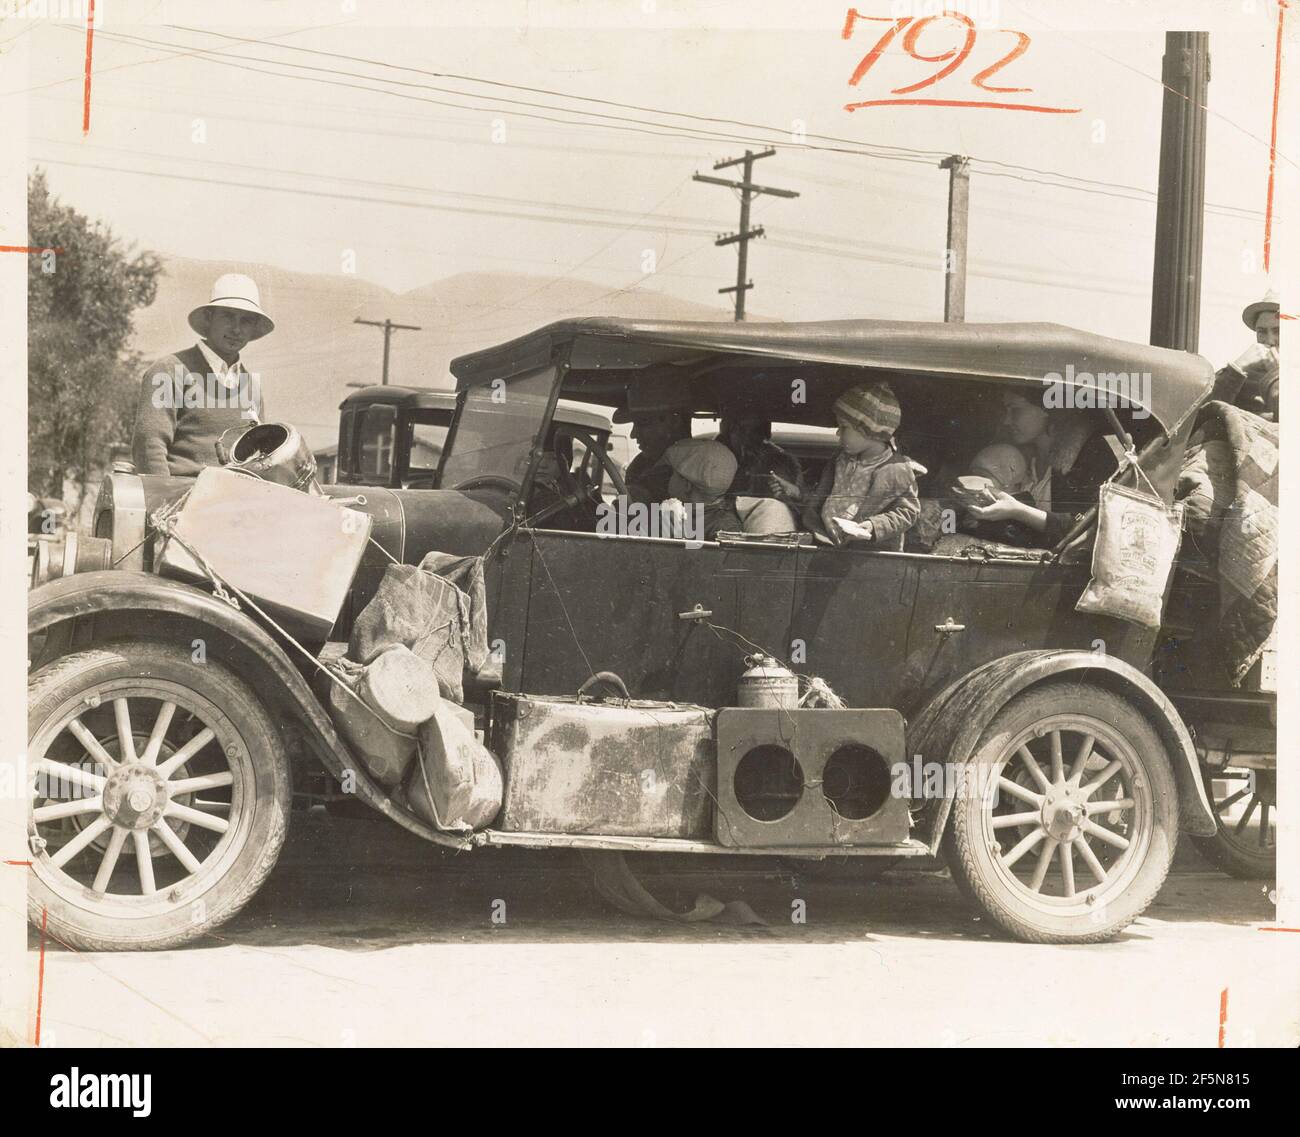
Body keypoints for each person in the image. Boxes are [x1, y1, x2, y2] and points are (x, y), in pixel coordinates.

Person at [132, 273, 272, 476]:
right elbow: (149, 445)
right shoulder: (170, 370)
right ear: (209, 318)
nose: (236, 329)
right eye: (228, 316)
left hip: (239, 500)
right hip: (182, 500)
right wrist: (162, 500)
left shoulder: (249, 386)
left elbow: (259, 457)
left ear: (253, 328)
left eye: (246, 321)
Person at [965, 391, 1115, 546]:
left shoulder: (1090, 453)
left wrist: (1017, 511)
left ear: (1047, 409)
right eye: (1006, 411)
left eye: (1015, 410)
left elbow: (1089, 530)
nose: (1007, 421)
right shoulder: (1015, 454)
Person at [800, 381, 920, 550]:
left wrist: (873, 525)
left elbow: (908, 513)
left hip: (866, 552)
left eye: (844, 427)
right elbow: (823, 494)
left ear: (869, 430)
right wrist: (797, 492)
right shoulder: (840, 459)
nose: (838, 433)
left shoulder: (897, 469)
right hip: (826, 540)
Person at [616, 382, 693, 505]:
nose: (633, 434)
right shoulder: (639, 465)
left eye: (643, 423)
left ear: (674, 421)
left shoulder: (702, 469)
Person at [1210, 290, 1280, 420]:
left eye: (1278, 331)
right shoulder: (1246, 372)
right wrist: (1236, 368)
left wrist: (1276, 375)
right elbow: (1204, 412)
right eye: (1262, 332)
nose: (1269, 340)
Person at [955, 442, 1039, 547]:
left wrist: (979, 525)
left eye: (982, 475)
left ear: (1009, 476)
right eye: (972, 473)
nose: (974, 479)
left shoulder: (1024, 509)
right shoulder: (976, 504)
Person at [660, 438, 741, 540]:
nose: (668, 479)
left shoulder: (724, 529)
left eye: (673, 474)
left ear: (687, 485)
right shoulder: (679, 513)